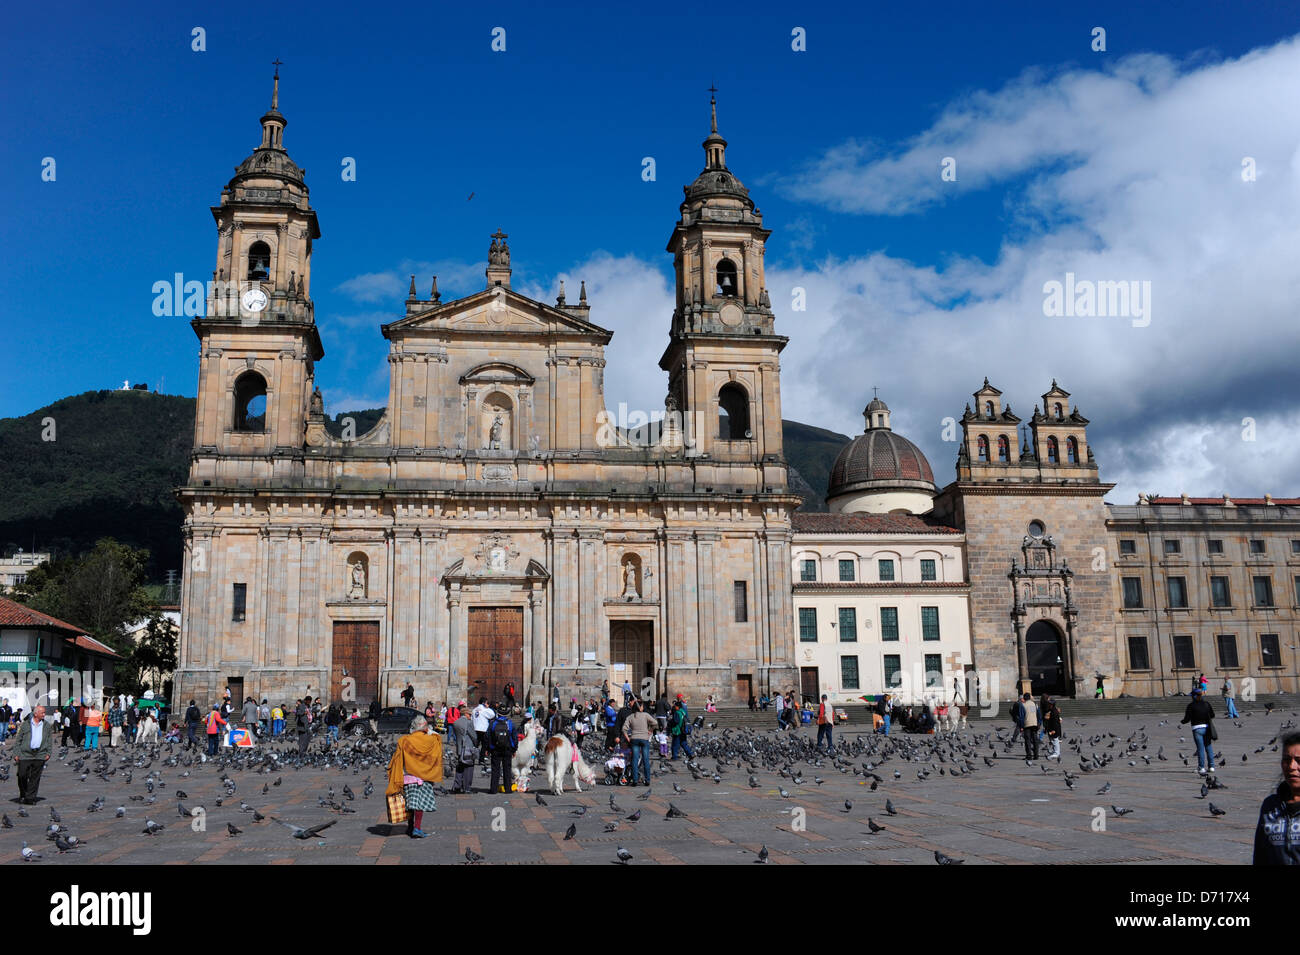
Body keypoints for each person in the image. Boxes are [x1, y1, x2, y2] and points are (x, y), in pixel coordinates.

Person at [386, 714, 443, 838]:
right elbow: (438, 737)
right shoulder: (432, 740)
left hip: (408, 777)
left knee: (410, 804)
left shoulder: (404, 740)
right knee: (419, 806)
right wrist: (428, 730)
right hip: (424, 777)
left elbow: (397, 759)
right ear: (425, 727)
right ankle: (416, 828)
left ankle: (411, 827)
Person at [1253, 731, 1300, 864]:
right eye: (1286, 760)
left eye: (1299, 761)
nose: (1292, 767)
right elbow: (1260, 856)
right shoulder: (1270, 806)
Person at [13, 705, 52, 804]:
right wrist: (16, 753)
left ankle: (30, 798)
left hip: (40, 754)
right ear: (36, 713)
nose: (44, 714)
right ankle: (24, 793)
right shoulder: (26, 724)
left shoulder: (46, 725)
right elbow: (18, 740)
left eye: (44, 712)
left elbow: (49, 740)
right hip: (25, 754)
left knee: (35, 777)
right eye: (42, 712)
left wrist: (48, 753)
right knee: (22, 775)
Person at [1181, 688, 1217, 775]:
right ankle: (1211, 766)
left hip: (1197, 729)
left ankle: (1201, 768)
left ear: (1194, 696)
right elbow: (1212, 715)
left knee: (1200, 749)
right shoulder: (1207, 704)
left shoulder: (1191, 706)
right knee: (1208, 747)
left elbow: (1187, 719)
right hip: (1207, 728)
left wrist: (1182, 721)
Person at [622, 699, 656, 786]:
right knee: (645, 760)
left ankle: (635, 780)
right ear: (640, 707)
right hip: (644, 739)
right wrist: (650, 730)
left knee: (634, 760)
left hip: (634, 739)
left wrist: (628, 738)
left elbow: (624, 729)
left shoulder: (631, 716)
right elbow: (655, 723)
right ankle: (647, 780)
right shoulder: (645, 715)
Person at [487, 705, 517, 794]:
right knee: (507, 769)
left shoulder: (492, 723)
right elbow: (514, 737)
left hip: (495, 749)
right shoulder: (510, 723)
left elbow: (488, 737)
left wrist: (489, 748)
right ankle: (508, 789)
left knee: (495, 769)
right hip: (507, 749)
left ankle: (493, 789)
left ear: (498, 713)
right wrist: (514, 749)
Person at [451, 707, 477, 793]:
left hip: (459, 747)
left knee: (460, 767)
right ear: (465, 714)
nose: (470, 716)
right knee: (469, 768)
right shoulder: (469, 723)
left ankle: (457, 786)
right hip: (468, 747)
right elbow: (474, 736)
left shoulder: (456, 722)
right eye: (469, 714)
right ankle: (467, 788)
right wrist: (476, 743)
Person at [472, 697, 496, 766]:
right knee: (484, 746)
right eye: (487, 703)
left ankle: (472, 758)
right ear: (484, 703)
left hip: (475, 729)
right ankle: (481, 759)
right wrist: (487, 707)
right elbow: (492, 715)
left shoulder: (474, 709)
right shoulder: (485, 710)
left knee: (475, 745)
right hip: (483, 729)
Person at [1019, 693, 1039, 762]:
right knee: (1035, 740)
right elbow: (1036, 714)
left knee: (1027, 740)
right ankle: (1036, 755)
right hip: (1034, 724)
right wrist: (1038, 723)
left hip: (1027, 724)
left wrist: (1021, 726)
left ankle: (1029, 756)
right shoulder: (1034, 704)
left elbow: (1021, 717)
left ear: (1024, 698)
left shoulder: (1023, 705)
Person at [1043, 696, 1063, 760]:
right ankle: (1055, 751)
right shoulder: (1052, 710)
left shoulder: (1054, 711)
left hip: (1054, 729)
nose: (1048, 705)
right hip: (1052, 728)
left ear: (1051, 704)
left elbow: (1055, 722)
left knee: (1055, 740)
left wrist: (1053, 730)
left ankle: (1057, 753)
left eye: (1049, 704)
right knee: (1052, 740)